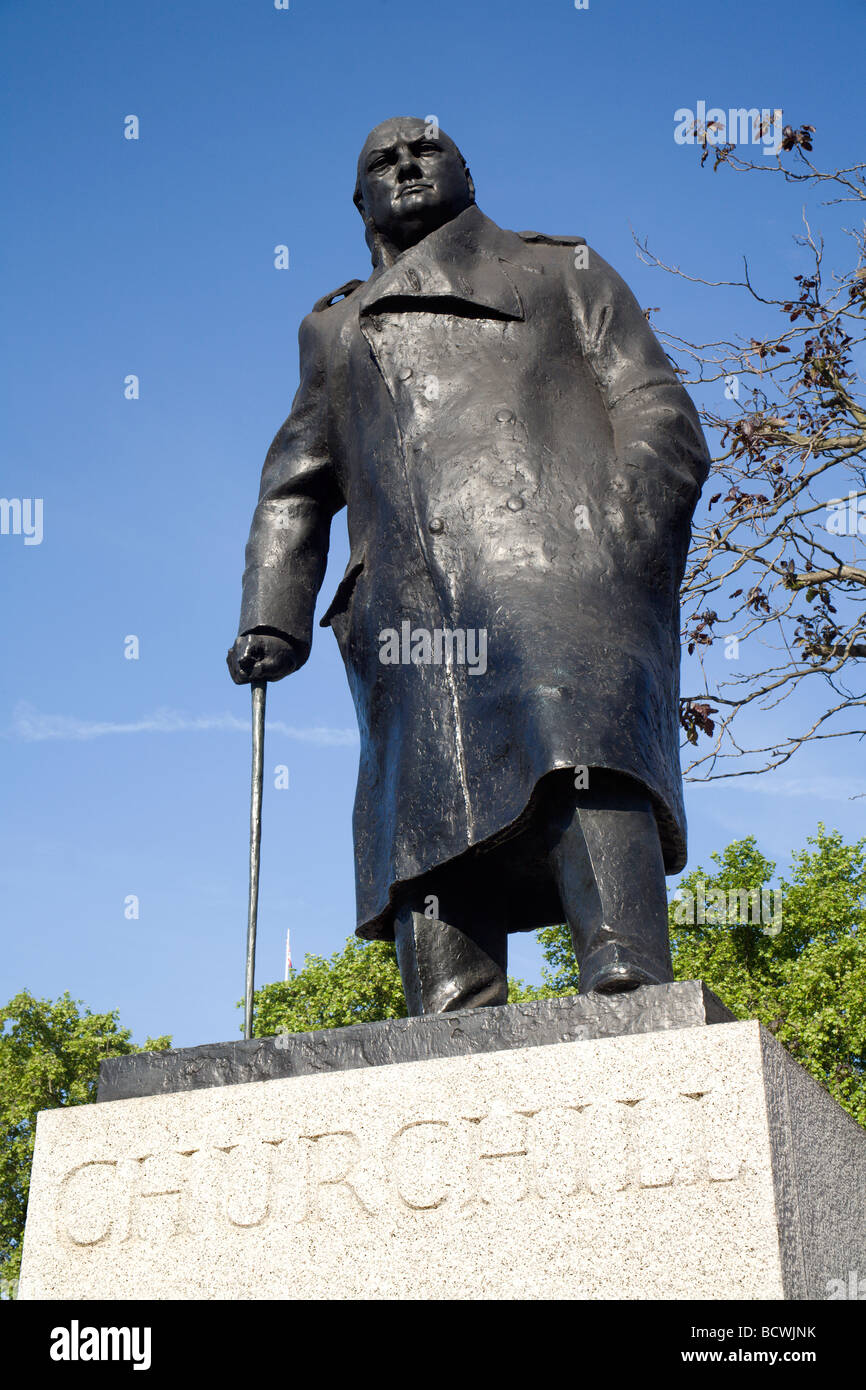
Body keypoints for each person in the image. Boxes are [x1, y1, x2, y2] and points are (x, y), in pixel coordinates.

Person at [228, 117, 710, 1014]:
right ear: (361, 198)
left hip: (556, 569)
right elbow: (296, 481)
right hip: (408, 603)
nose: (407, 165)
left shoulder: (558, 269)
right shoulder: (333, 330)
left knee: (582, 758)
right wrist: (272, 614)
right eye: (383, 161)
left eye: (427, 150)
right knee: (424, 809)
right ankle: (452, 1006)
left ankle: (626, 973)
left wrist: (614, 538)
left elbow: (660, 414)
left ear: (468, 169)